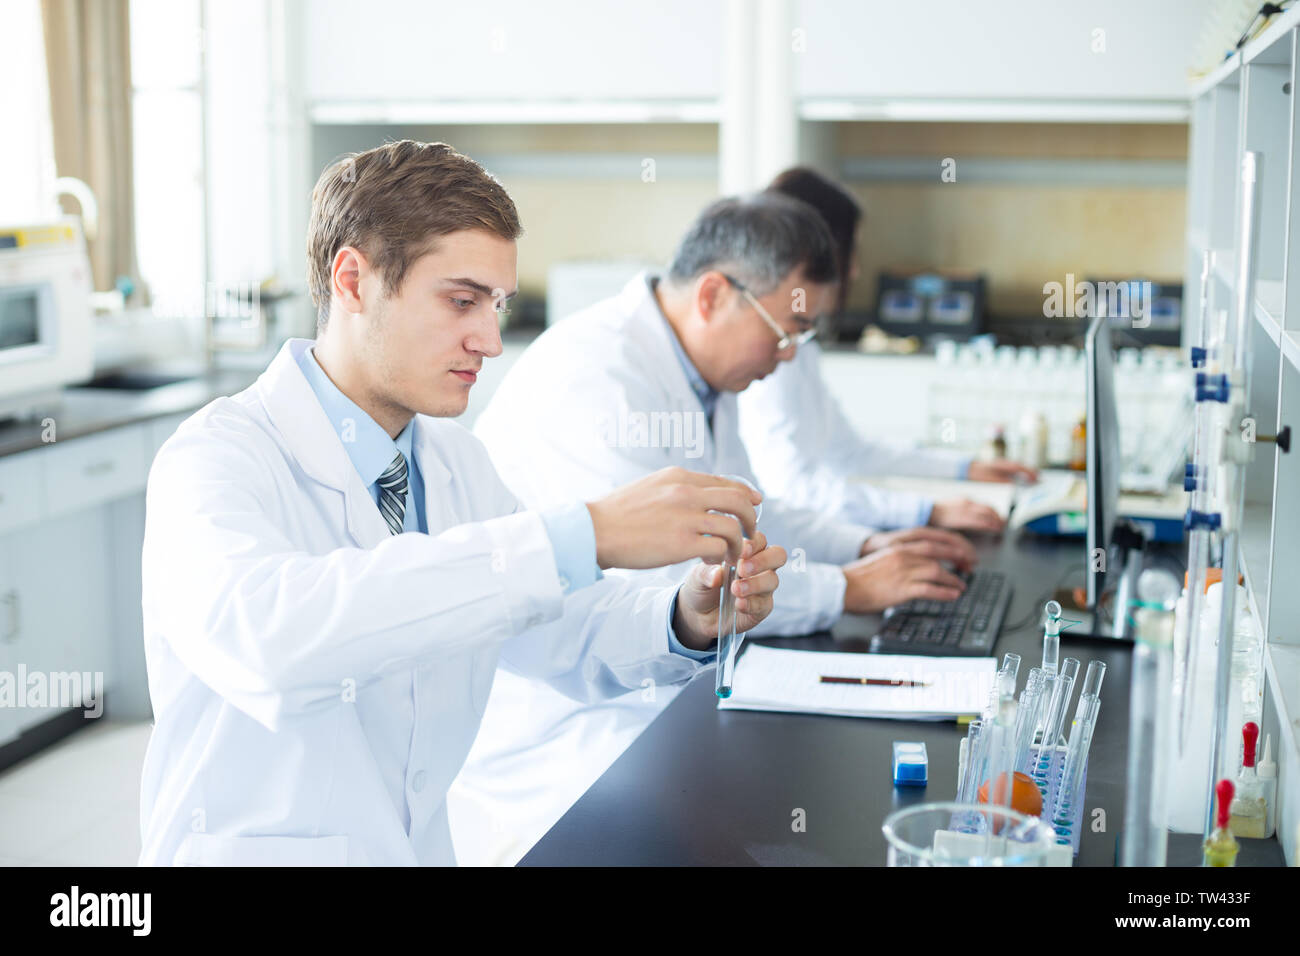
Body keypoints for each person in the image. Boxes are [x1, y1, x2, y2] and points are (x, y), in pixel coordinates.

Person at [137, 140, 786, 866]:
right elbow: (270, 643)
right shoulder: (215, 458)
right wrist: (585, 532)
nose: (491, 340)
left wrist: (685, 616)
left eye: (498, 304)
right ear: (353, 279)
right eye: (461, 300)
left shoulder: (453, 462)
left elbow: (550, 623)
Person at [448, 192, 974, 865]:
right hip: (571, 726)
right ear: (714, 295)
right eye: (783, 332)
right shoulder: (599, 378)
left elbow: (751, 510)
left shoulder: (699, 379)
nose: (787, 357)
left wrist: (864, 546)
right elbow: (676, 577)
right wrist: (848, 590)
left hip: (658, 687)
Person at [737, 166, 1037, 533]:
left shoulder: (800, 347)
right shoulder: (768, 357)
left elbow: (850, 451)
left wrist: (965, 469)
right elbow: (794, 487)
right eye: (851, 252)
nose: (855, 271)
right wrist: (927, 512)